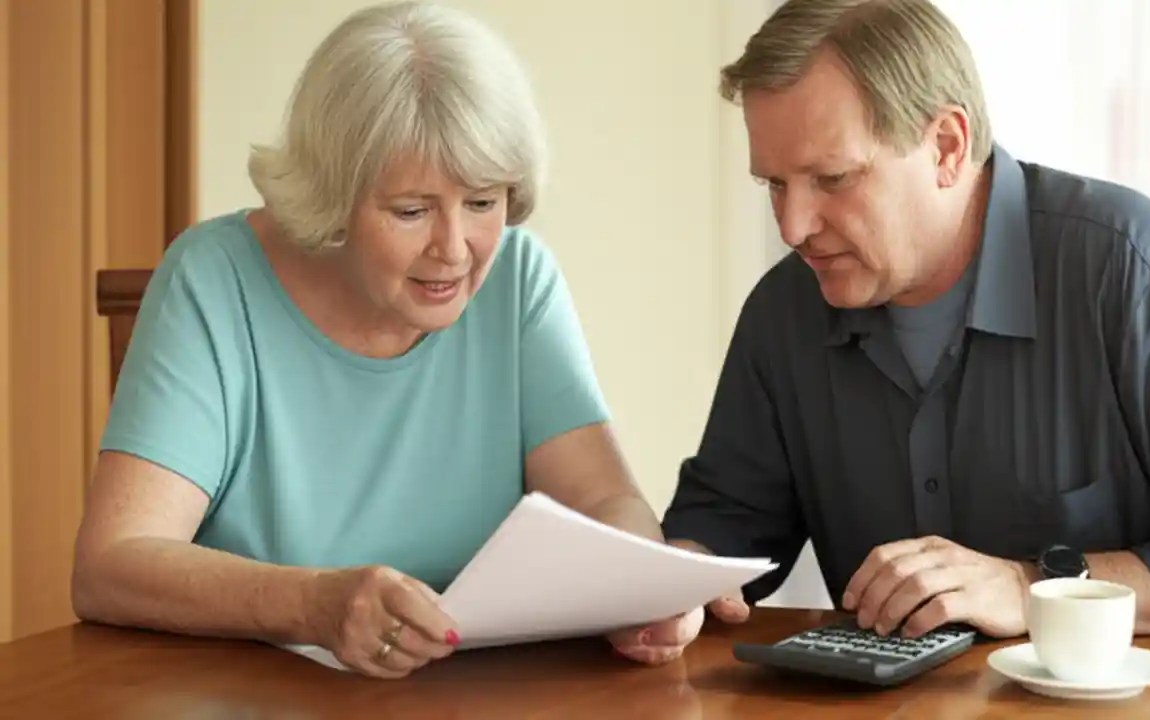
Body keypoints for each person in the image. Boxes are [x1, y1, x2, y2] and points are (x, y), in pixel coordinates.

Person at [71, 0, 700, 679]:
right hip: (253, 693)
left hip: (474, 697)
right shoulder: (213, 281)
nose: (455, 250)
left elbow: (606, 500)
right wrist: (313, 604)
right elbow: (112, 564)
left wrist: (650, 590)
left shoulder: (518, 278)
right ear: (331, 194)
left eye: (483, 203)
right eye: (411, 210)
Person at [665, 0, 1150, 642]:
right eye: (774, 185)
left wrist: (1034, 588)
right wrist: (679, 581)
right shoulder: (784, 311)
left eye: (833, 178)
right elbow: (725, 525)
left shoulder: (1138, 274)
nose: (793, 227)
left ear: (947, 147)